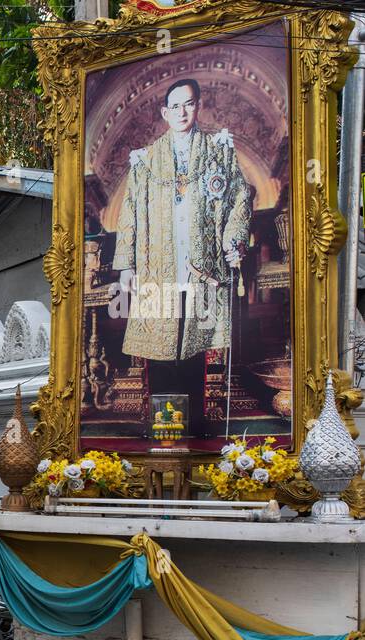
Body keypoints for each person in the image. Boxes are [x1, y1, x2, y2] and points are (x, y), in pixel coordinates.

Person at [112, 78, 252, 433]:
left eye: (188, 104)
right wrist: (126, 265)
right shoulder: (145, 161)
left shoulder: (218, 149)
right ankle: (163, 423)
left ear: (198, 104)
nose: (182, 112)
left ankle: (195, 421)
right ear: (164, 112)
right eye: (175, 106)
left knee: (193, 342)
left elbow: (238, 197)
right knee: (161, 345)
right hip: (156, 264)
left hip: (200, 264)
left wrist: (233, 240)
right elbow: (128, 213)